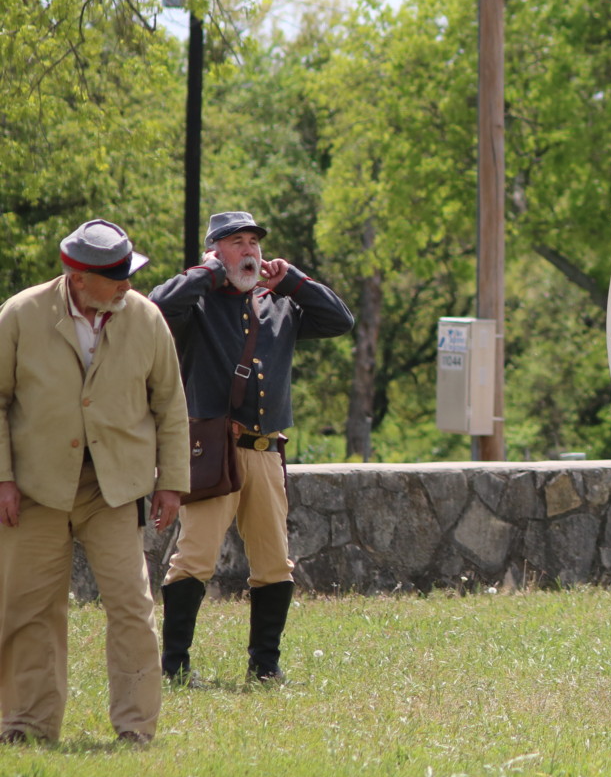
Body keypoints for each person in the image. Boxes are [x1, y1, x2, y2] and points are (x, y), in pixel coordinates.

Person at [0, 220, 188, 745]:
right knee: (28, 607)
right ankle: (25, 725)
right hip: (36, 487)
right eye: (115, 274)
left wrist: (171, 482)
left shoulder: (147, 318)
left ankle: (136, 729)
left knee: (132, 605)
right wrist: (2, 479)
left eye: (130, 270)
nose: (127, 282)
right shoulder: (19, 315)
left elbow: (171, 404)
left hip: (114, 489)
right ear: (78, 277)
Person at [149, 211, 354, 684]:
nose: (249, 251)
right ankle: (174, 666)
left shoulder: (277, 303)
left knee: (273, 562)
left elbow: (339, 320)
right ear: (216, 252)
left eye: (253, 243)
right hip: (212, 449)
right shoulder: (196, 304)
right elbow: (156, 306)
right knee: (195, 557)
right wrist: (203, 274)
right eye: (236, 242)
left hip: (265, 451)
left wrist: (295, 281)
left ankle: (265, 666)